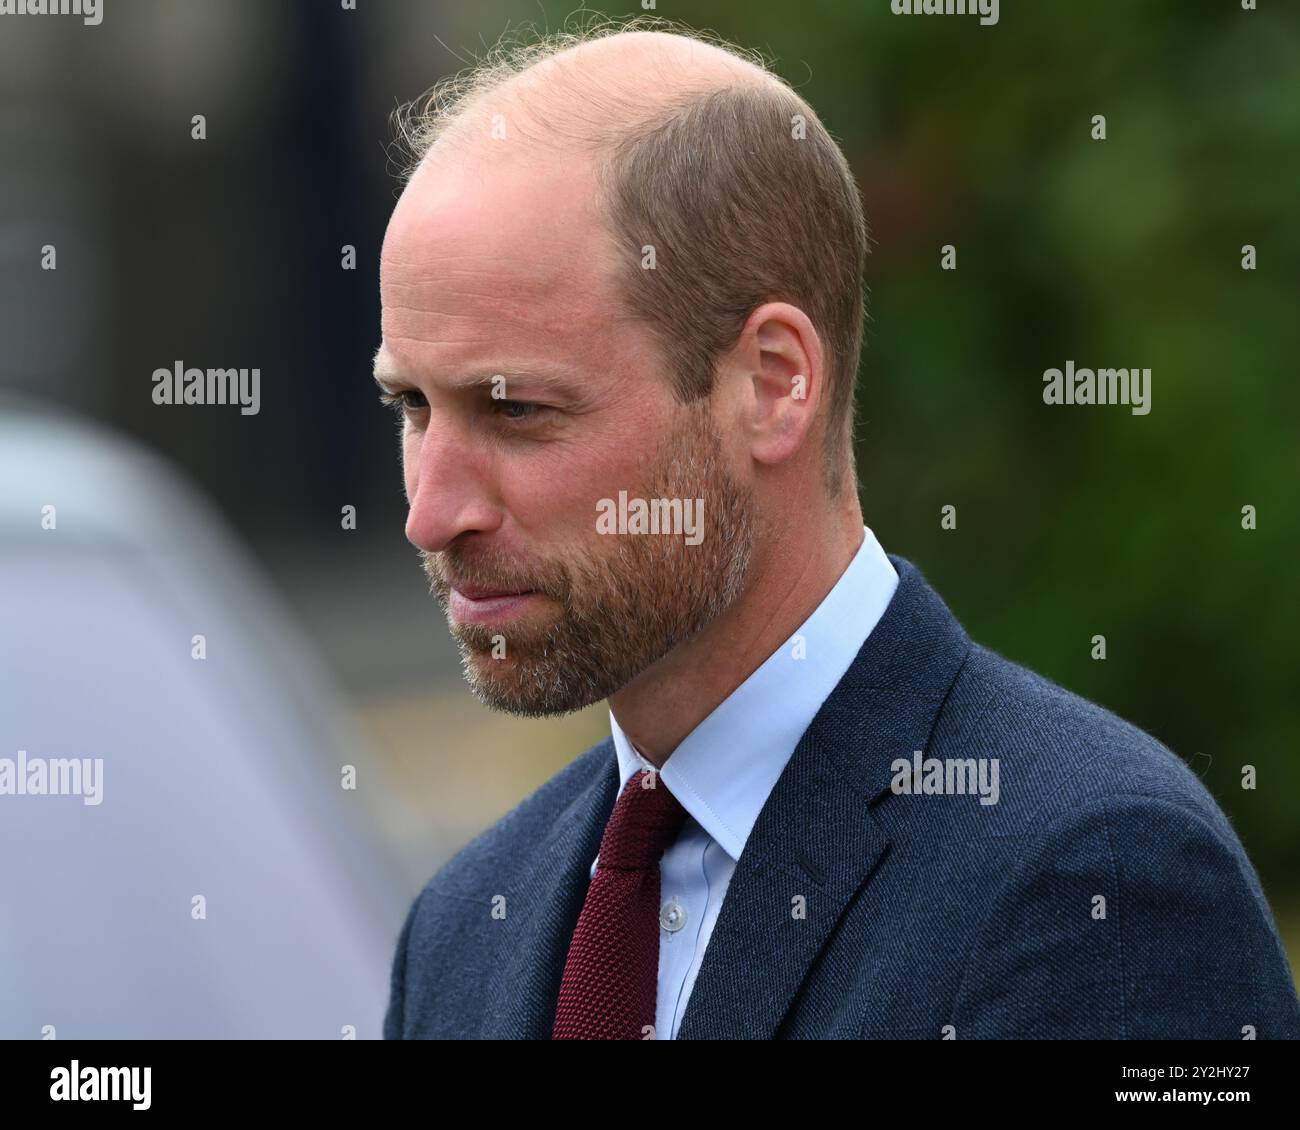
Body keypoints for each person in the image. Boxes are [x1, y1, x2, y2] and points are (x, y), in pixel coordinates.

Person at [375, 22, 1300, 1039]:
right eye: (413, 405)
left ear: (772, 385)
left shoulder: (1092, 884)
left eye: (516, 411)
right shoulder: (467, 926)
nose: (432, 509)